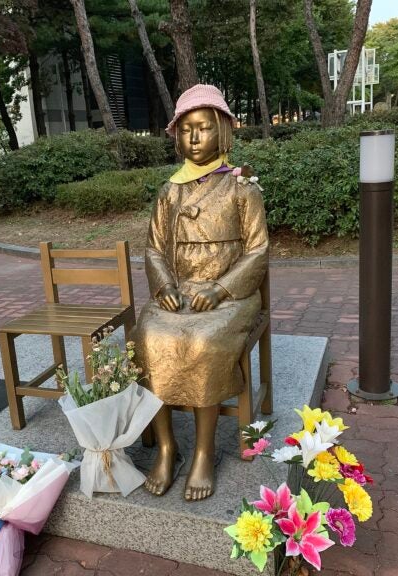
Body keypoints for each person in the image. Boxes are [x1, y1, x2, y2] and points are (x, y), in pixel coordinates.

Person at [133, 84, 269, 501]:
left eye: (204, 128)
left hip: (230, 297)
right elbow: (154, 248)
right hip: (178, 292)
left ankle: (204, 452)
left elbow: (258, 250)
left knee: (203, 341)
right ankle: (167, 447)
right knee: (150, 336)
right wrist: (164, 286)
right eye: (186, 129)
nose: (194, 137)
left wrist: (221, 287)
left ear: (222, 130)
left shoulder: (242, 187)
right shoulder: (169, 190)